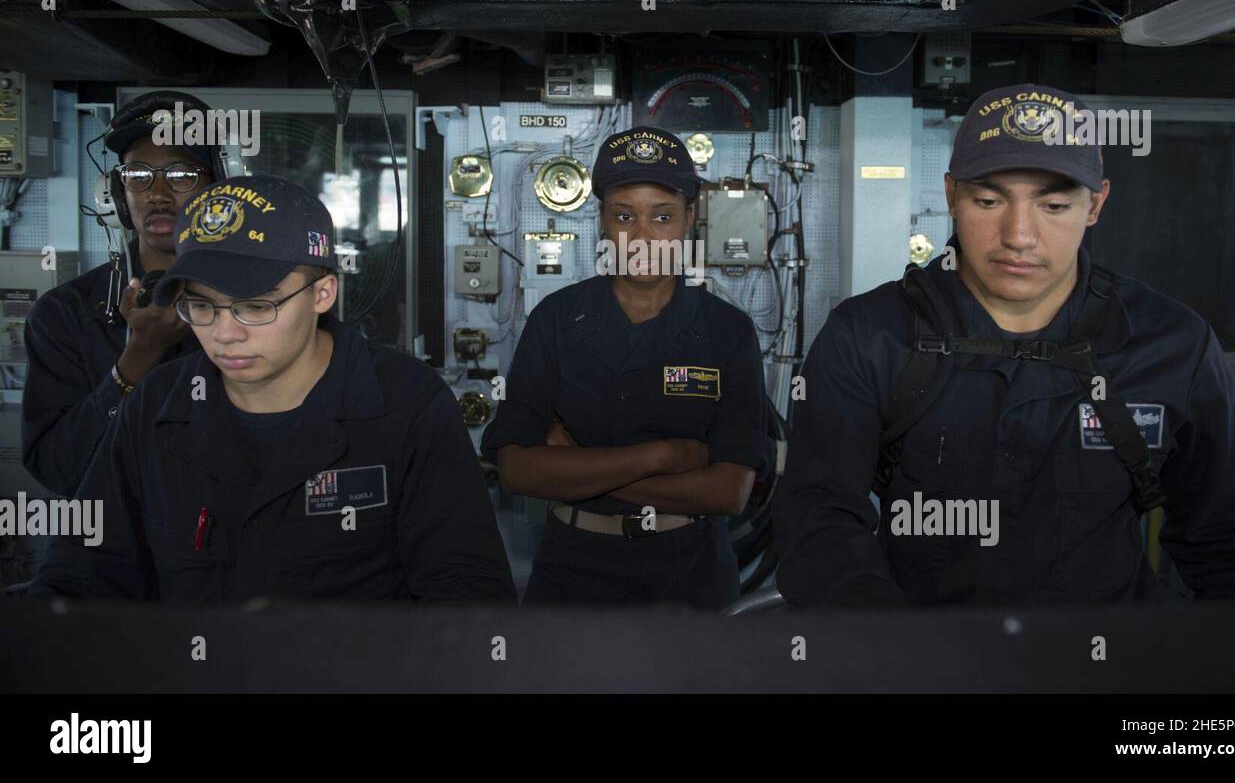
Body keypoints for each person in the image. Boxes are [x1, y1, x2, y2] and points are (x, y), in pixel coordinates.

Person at [775, 83, 1235, 606]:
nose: (1019, 235)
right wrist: (887, 652)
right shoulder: (870, 337)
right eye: (988, 200)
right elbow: (819, 518)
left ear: (1095, 204)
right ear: (951, 194)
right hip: (926, 659)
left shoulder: (1170, 344)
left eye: (1052, 204)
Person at [31, 174, 516, 603]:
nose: (225, 333)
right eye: (201, 307)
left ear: (323, 293)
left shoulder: (408, 405)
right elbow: (83, 573)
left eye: (256, 306)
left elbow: (465, 593)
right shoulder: (156, 405)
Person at [481, 127, 773, 609]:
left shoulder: (728, 332)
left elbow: (728, 492)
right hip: (573, 572)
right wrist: (664, 455)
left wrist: (580, 466)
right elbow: (517, 470)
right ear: (601, 221)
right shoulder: (555, 320)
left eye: (662, 216)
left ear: (689, 219)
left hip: (689, 576)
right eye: (624, 216)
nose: (643, 237)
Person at [22, 91, 222, 495]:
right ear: (115, 195)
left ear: (220, 187)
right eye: (138, 175)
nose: (158, 195)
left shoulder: (262, 301)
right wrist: (140, 355)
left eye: (182, 174)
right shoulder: (64, 314)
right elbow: (59, 470)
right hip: (115, 549)